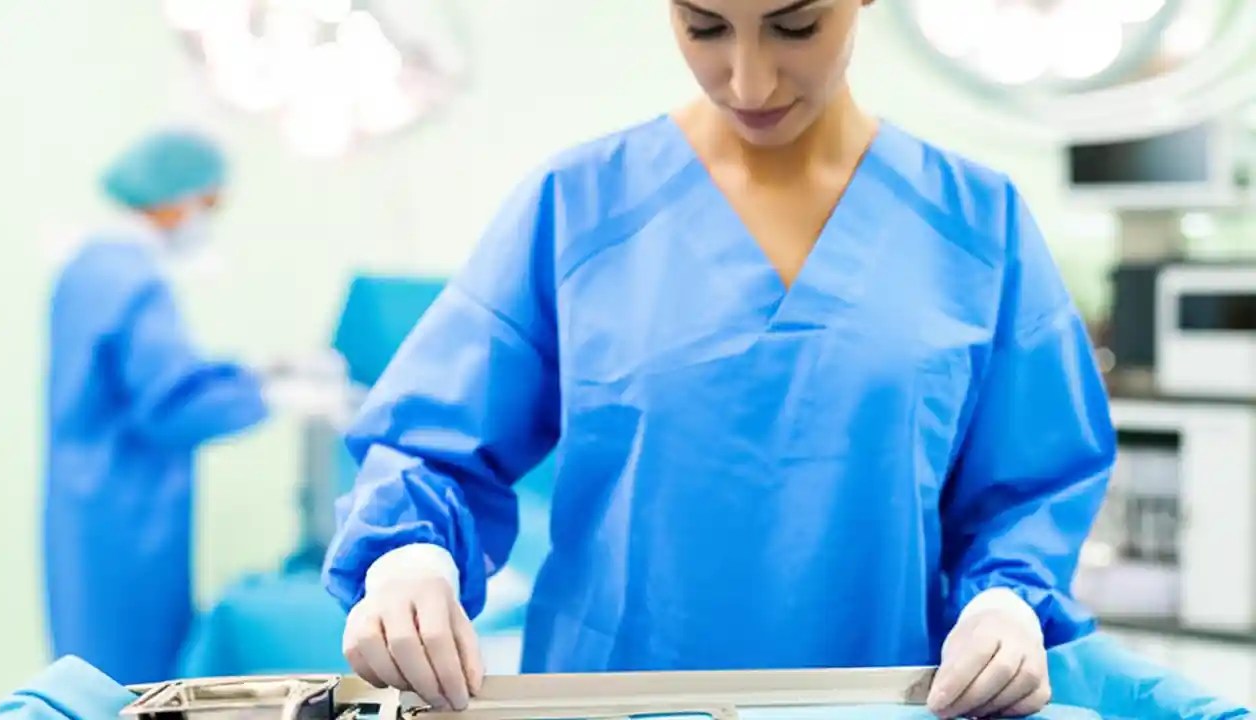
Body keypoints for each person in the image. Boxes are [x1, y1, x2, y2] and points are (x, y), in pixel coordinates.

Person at [323, 1, 1116, 718]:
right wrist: (408, 555)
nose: (748, 78)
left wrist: (1007, 603)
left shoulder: (977, 224)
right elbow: (433, 439)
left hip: (881, 701)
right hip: (608, 700)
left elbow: (1031, 484)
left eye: (794, 26)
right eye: (704, 27)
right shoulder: (579, 205)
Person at [45, 129, 269, 685]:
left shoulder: (88, 268)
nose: (206, 218)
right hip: (130, 511)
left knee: (88, 675)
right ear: (173, 201)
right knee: (134, 681)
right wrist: (267, 397)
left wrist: (248, 373)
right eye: (209, 203)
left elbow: (141, 380)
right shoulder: (136, 280)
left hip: (85, 504)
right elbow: (170, 407)